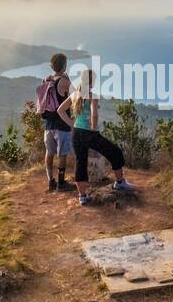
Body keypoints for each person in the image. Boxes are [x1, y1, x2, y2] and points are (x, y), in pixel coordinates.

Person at [56, 68, 136, 206]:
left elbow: (60, 110)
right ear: (91, 81)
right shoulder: (92, 95)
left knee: (80, 163)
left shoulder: (75, 94)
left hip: (76, 134)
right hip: (89, 133)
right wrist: (93, 128)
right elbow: (94, 114)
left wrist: (72, 125)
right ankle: (120, 182)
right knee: (114, 151)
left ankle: (82, 197)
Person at [36, 53, 74, 192]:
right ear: (64, 65)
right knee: (62, 154)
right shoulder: (64, 82)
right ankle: (61, 183)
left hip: (48, 124)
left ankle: (50, 181)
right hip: (62, 124)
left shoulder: (47, 81)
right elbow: (75, 96)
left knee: (49, 152)